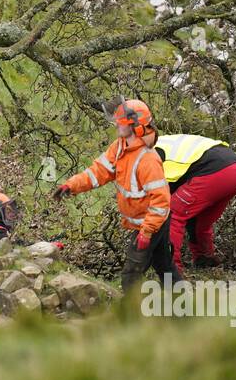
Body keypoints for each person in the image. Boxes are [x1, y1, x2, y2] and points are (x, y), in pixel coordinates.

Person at [53, 99, 179, 293]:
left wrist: (146, 232)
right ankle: (185, 309)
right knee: (163, 265)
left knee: (131, 274)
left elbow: (161, 202)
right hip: (147, 221)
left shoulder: (148, 160)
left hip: (151, 222)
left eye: (121, 121)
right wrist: (71, 185)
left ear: (135, 125)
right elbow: (98, 172)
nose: (116, 124)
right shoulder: (120, 146)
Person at [153, 133, 236, 271]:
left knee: (172, 214)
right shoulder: (159, 143)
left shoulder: (147, 154)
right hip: (235, 169)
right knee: (199, 221)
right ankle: (205, 261)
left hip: (213, 170)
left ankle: (172, 269)